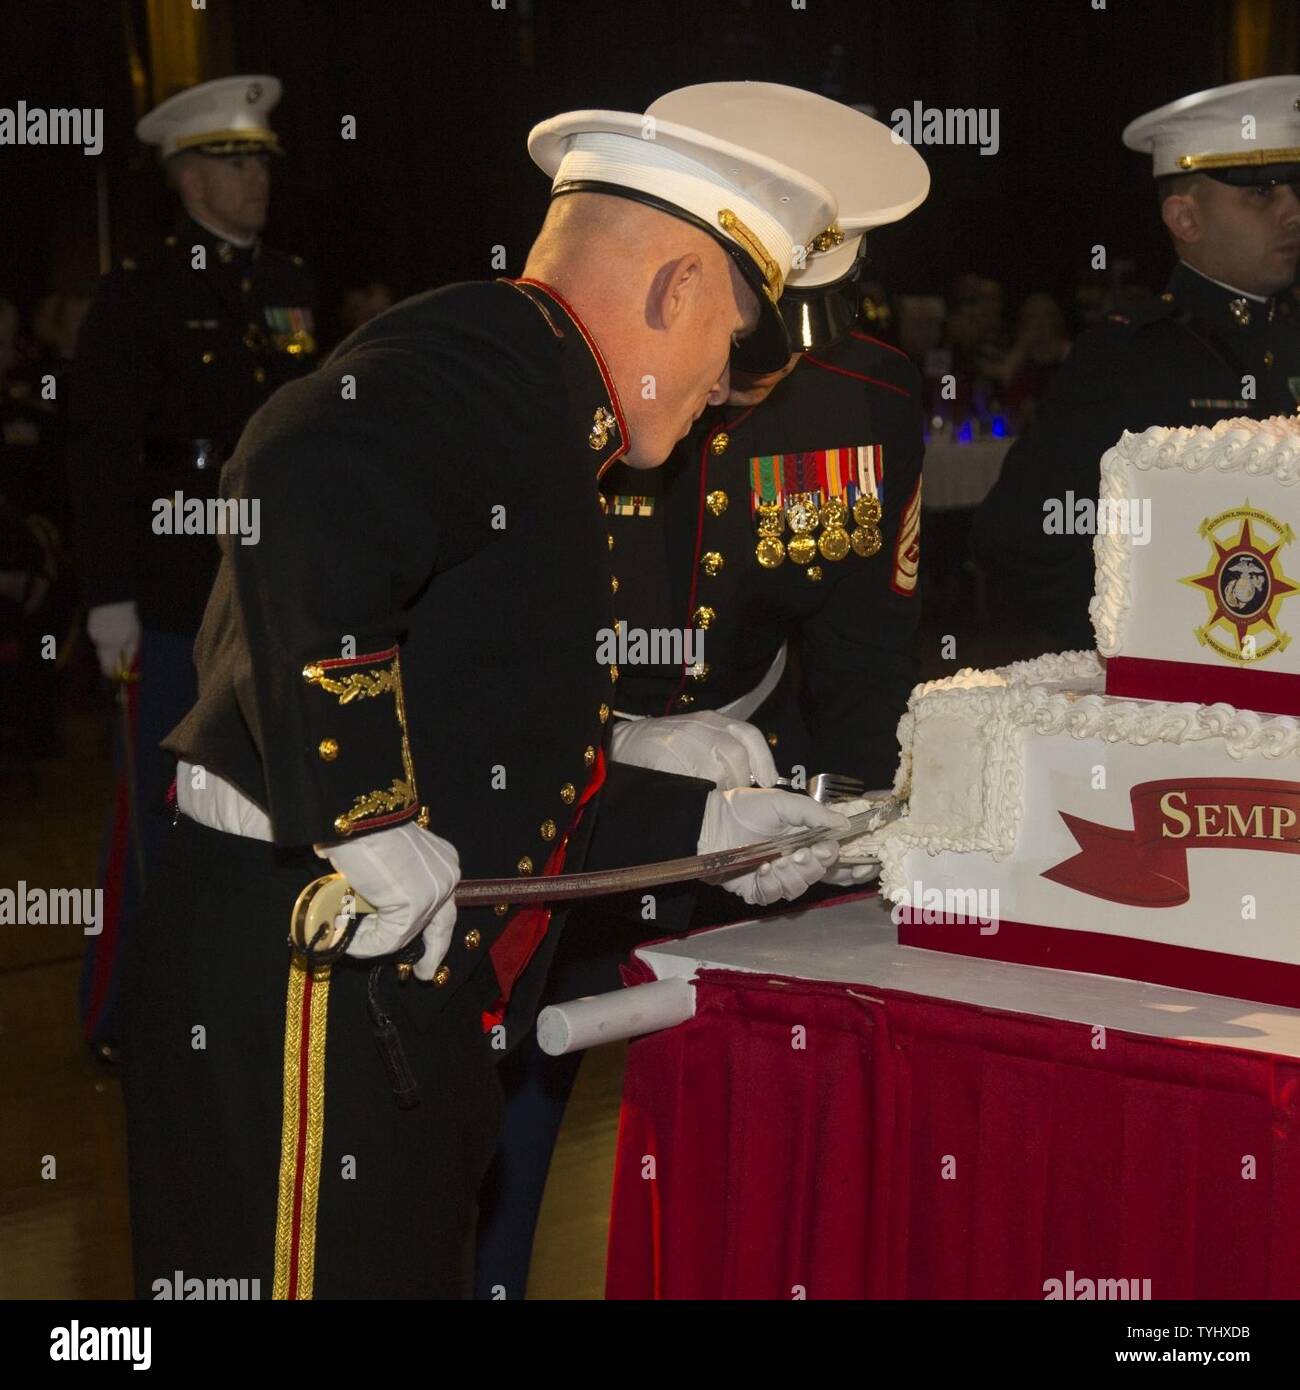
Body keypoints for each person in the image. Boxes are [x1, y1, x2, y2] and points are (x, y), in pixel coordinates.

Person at [121, 87, 879, 1300]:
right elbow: (301, 473)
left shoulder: (536, 395)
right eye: (729, 344)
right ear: (676, 288)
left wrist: (696, 820)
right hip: (312, 974)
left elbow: (471, 716)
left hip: (376, 986)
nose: (723, 388)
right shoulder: (496, 354)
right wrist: (359, 804)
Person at [474, 84, 930, 1300]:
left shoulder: (871, 397)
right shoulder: (554, 369)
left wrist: (854, 824)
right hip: (567, 782)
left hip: (749, 780)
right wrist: (614, 745)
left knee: (759, 1105)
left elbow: (867, 637)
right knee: (511, 1088)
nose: (730, 384)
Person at [67, 76, 319, 1059]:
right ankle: (125, 1009)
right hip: (171, 589)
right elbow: (100, 454)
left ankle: (241, 990)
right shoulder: (139, 295)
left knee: (267, 795)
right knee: (159, 804)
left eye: (260, 158)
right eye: (233, 160)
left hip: (271, 586)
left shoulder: (293, 282)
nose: (255, 177)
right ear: (183, 174)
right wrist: (108, 598)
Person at [973, 76, 1300, 651]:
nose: (1292, 212)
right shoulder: (1127, 358)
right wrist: (1147, 637)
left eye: (1294, 190)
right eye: (1260, 194)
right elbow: (1020, 539)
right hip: (1194, 694)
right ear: (1186, 220)